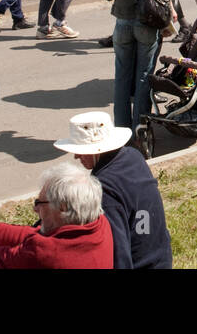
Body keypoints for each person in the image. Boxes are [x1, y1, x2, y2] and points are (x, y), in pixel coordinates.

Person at [54, 112, 173, 269]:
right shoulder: (133, 156)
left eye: (80, 150)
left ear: (96, 150)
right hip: (161, 258)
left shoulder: (104, 188)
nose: (76, 156)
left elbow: (118, 251)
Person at [0, 165, 113, 269]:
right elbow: (34, 236)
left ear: (62, 207)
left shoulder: (46, 253)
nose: (35, 209)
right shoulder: (99, 225)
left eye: (39, 203)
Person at [104, 0, 169, 129]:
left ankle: (121, 127)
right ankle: (139, 127)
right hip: (145, 23)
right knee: (143, 76)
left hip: (122, 22)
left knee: (121, 77)